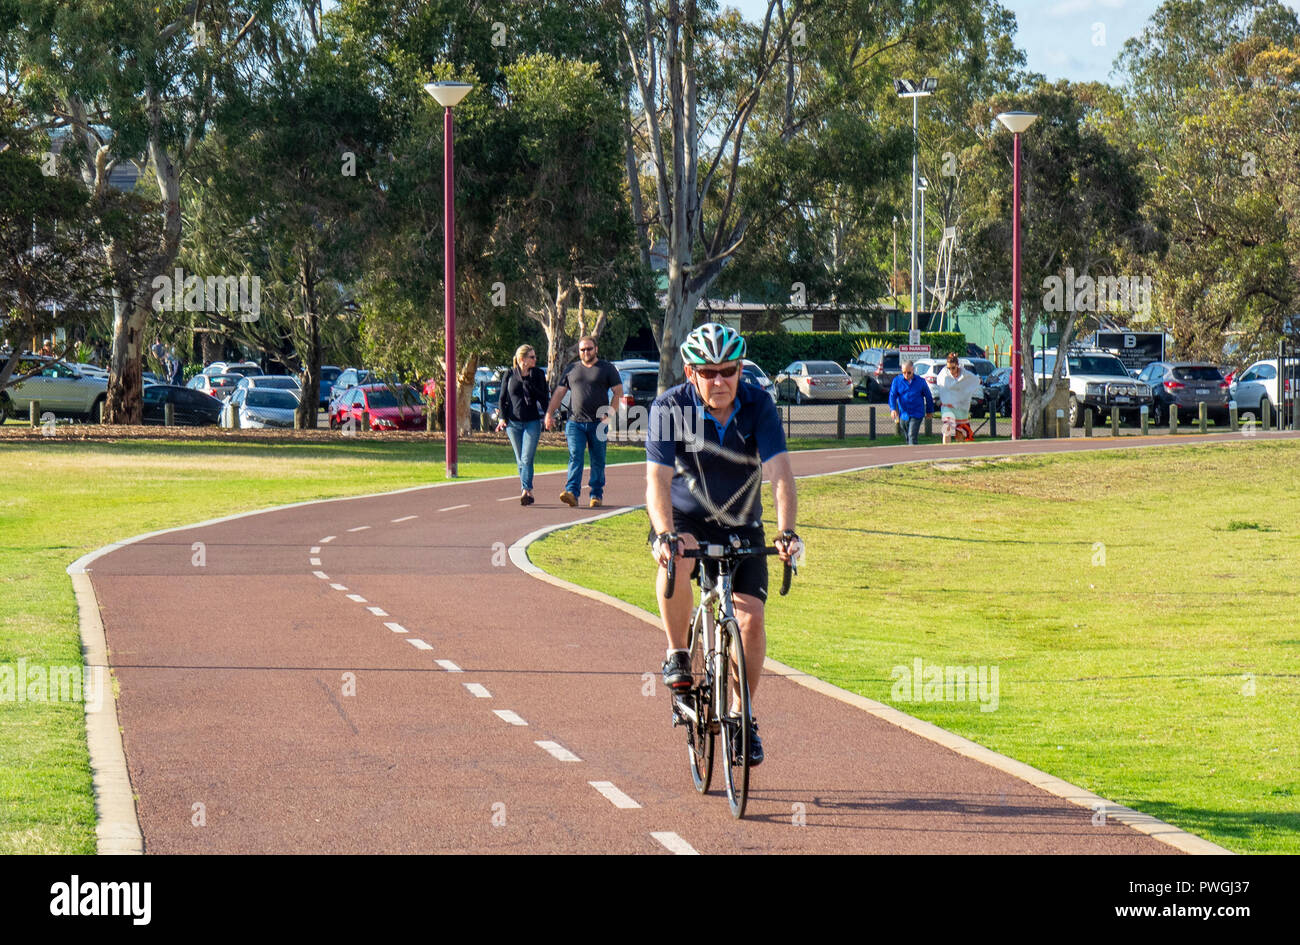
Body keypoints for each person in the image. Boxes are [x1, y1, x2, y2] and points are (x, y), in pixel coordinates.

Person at [647, 323, 802, 766]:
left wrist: (786, 531)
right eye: (708, 371)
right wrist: (664, 533)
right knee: (675, 560)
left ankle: (741, 717)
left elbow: (781, 475)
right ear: (690, 371)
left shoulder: (759, 405)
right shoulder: (668, 407)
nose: (719, 381)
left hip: (741, 524)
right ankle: (678, 652)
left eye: (728, 370)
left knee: (750, 620)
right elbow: (656, 480)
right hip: (683, 519)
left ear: (740, 370)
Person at [544, 336, 623, 508]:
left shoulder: (607, 368)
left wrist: (609, 414)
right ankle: (572, 492)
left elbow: (618, 392)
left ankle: (596, 495)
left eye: (589, 349)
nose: (585, 352)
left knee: (598, 460)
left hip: (598, 423)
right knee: (575, 456)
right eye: (582, 350)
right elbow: (559, 393)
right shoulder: (571, 369)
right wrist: (549, 413)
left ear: (596, 349)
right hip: (574, 422)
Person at [496, 345, 549, 505]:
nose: (535, 359)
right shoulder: (509, 374)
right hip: (513, 423)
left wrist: (548, 415)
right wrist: (502, 418)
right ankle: (528, 491)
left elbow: (544, 398)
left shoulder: (538, 374)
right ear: (522, 359)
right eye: (531, 357)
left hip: (532, 422)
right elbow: (503, 398)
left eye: (534, 357)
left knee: (526, 457)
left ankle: (526, 489)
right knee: (520, 459)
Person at [933, 353, 981, 443]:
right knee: (947, 427)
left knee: (960, 432)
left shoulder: (965, 375)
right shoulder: (944, 374)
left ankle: (959, 452)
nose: (951, 370)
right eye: (949, 368)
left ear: (957, 366)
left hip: (961, 407)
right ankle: (946, 450)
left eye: (953, 368)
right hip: (948, 406)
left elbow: (975, 381)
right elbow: (941, 385)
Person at [889, 360, 935, 445]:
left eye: (909, 373)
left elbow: (928, 396)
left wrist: (929, 411)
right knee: (907, 435)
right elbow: (892, 395)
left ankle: (913, 453)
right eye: (904, 373)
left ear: (913, 370)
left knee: (912, 435)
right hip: (904, 414)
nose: (906, 375)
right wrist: (892, 409)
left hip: (917, 413)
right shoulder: (897, 381)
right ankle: (910, 450)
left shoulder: (921, 381)